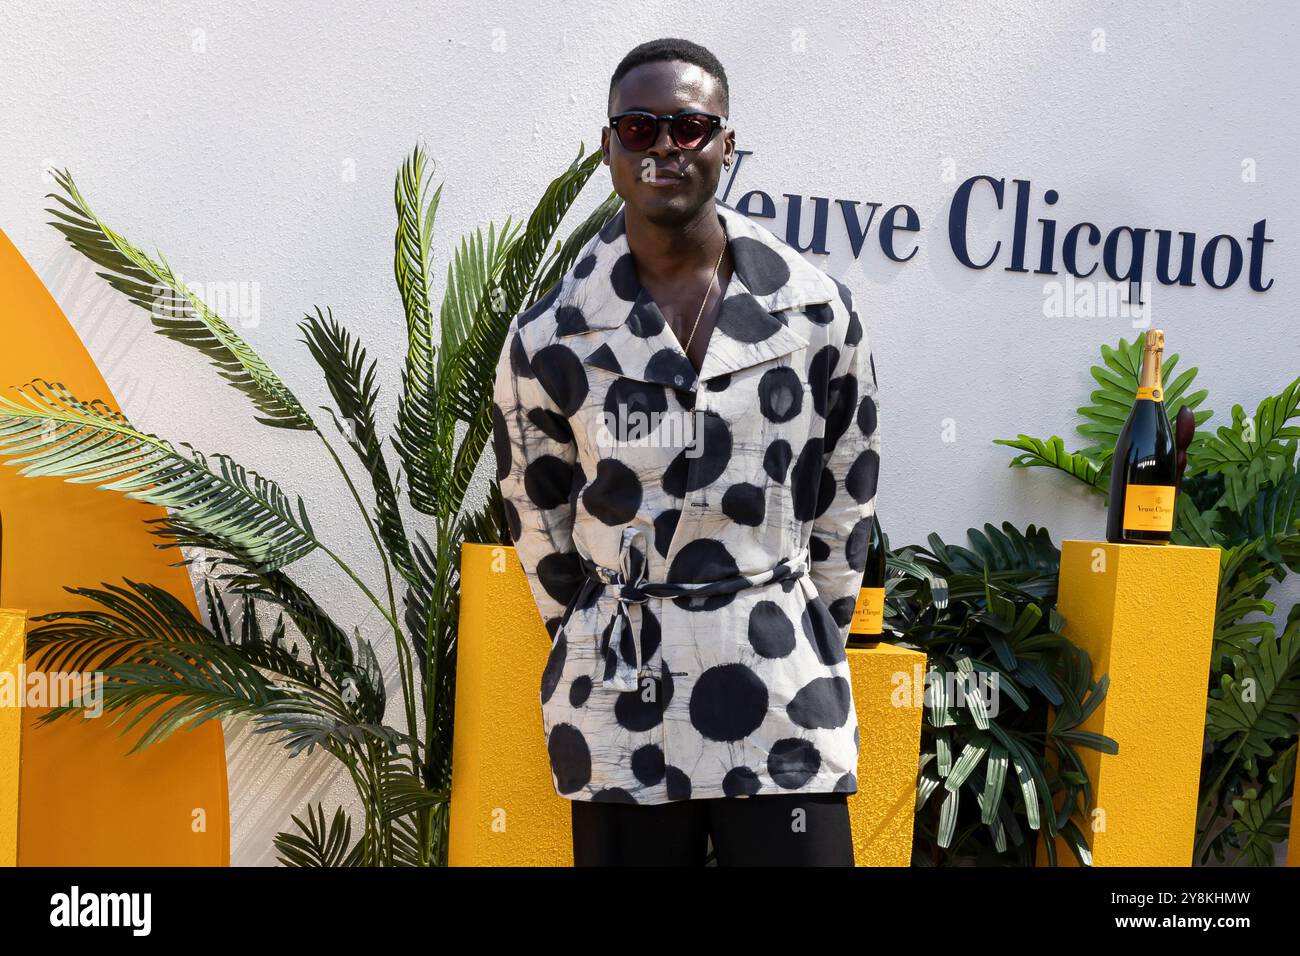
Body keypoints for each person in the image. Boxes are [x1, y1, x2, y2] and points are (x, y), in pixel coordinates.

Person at [490, 37, 880, 866]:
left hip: (781, 685)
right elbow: (535, 508)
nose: (665, 146)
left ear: (726, 145)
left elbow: (848, 489)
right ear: (609, 150)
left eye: (690, 126)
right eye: (638, 128)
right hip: (621, 695)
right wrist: (594, 624)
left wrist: (808, 622)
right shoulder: (550, 336)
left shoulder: (816, 314)